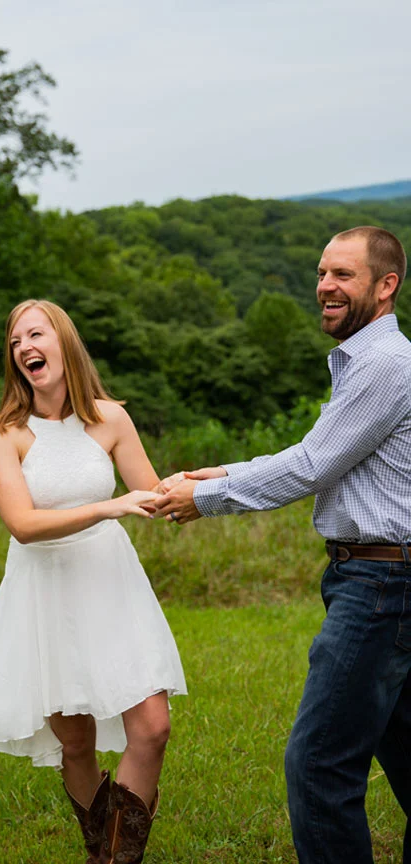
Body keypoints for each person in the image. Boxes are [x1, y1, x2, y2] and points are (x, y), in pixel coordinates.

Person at [152, 226, 411, 864]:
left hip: (381, 589)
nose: (324, 286)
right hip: (384, 581)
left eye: (343, 275)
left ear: (386, 286)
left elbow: (311, 468)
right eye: (322, 273)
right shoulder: (368, 362)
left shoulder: (384, 364)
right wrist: (227, 472)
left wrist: (205, 499)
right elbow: (319, 452)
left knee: (320, 762)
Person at [0, 299, 186, 863]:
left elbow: (150, 493)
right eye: (15, 341)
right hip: (45, 591)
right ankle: (99, 852)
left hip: (111, 584)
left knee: (151, 727)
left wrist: (217, 482)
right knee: (74, 740)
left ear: (64, 342)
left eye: (36, 333)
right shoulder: (4, 433)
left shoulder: (110, 419)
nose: (25, 346)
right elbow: (24, 525)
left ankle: (114, 859)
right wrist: (108, 508)